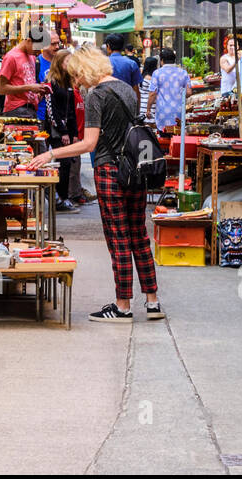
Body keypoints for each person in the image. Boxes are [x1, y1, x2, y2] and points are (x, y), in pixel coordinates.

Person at [29, 46, 163, 323]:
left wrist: (51, 154)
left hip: (110, 171)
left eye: (76, 75)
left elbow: (89, 143)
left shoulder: (96, 95)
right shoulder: (126, 88)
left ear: (85, 70)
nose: (76, 82)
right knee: (139, 235)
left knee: (118, 239)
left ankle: (122, 305)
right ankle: (152, 302)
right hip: (135, 169)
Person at [45, 49, 80, 213]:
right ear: (59, 62)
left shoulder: (69, 82)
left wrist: (74, 133)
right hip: (56, 129)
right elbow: (51, 111)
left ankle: (63, 198)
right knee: (63, 163)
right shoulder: (51, 81)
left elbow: (71, 110)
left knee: (66, 164)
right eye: (67, 61)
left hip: (67, 128)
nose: (69, 65)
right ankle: (60, 198)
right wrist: (63, 131)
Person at [0, 28, 51, 118]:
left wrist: (38, 92)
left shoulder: (32, 56)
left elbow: (26, 82)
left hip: (31, 109)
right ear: (29, 41)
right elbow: (0, 89)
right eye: (37, 48)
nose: (38, 52)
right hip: (16, 110)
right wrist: (29, 87)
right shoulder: (11, 57)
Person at [147, 47, 192, 132]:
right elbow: (189, 92)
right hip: (179, 112)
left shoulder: (157, 73)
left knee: (163, 135)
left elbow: (152, 94)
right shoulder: (183, 73)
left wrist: (148, 109)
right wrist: (178, 94)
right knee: (178, 136)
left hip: (162, 111)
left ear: (162, 60)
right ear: (174, 60)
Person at [104, 32, 141, 100]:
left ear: (108, 46)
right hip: (127, 103)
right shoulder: (131, 64)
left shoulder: (102, 63)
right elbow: (136, 90)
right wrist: (137, 109)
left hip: (107, 103)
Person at [36, 35, 61, 121]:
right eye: (53, 44)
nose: (57, 47)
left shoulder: (62, 63)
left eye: (58, 43)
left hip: (60, 118)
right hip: (41, 116)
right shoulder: (36, 64)